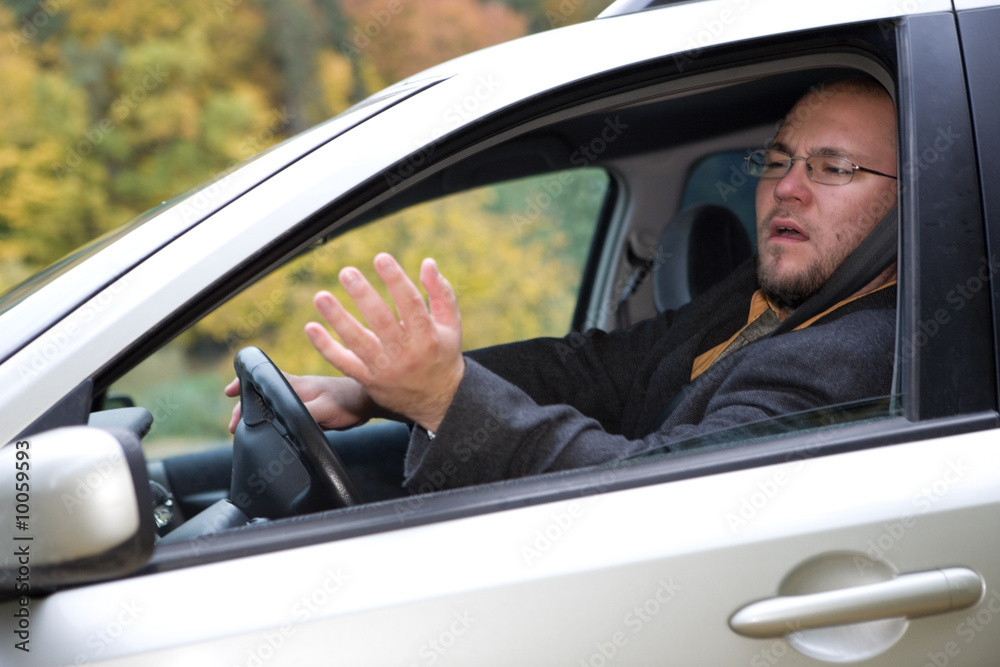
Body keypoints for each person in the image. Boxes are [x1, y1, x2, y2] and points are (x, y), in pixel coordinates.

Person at [226, 76, 899, 494]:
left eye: (833, 168)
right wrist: (371, 390)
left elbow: (658, 493)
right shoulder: (762, 295)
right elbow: (594, 368)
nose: (785, 186)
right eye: (778, 159)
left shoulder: (847, 355)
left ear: (909, 205)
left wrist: (447, 397)